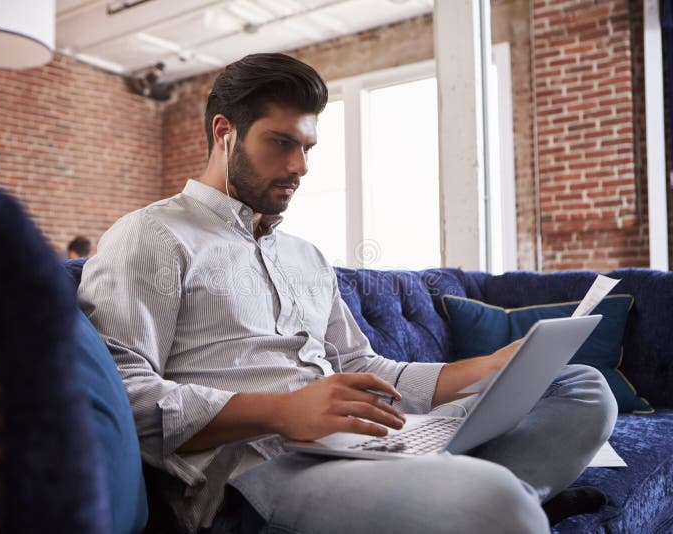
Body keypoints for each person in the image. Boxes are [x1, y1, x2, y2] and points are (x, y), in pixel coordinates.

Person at [78, 53, 617, 534]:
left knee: (580, 388)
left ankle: (466, 497)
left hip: (359, 443)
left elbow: (364, 368)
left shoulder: (305, 256)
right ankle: (501, 500)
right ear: (225, 132)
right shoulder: (151, 236)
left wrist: (483, 369)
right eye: (281, 143)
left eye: (307, 147)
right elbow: (119, 398)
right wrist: (283, 412)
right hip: (255, 474)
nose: (299, 168)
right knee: (496, 504)